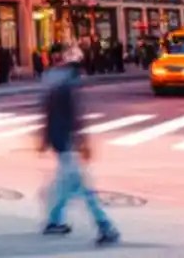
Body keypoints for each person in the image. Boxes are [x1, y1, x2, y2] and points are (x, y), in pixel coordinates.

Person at [40, 46, 120, 246]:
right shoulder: (67, 86)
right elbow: (75, 118)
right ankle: (104, 225)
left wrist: (44, 139)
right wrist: (84, 142)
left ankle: (54, 221)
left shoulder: (54, 84)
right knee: (83, 187)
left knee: (65, 184)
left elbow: (48, 113)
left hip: (59, 141)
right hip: (67, 143)